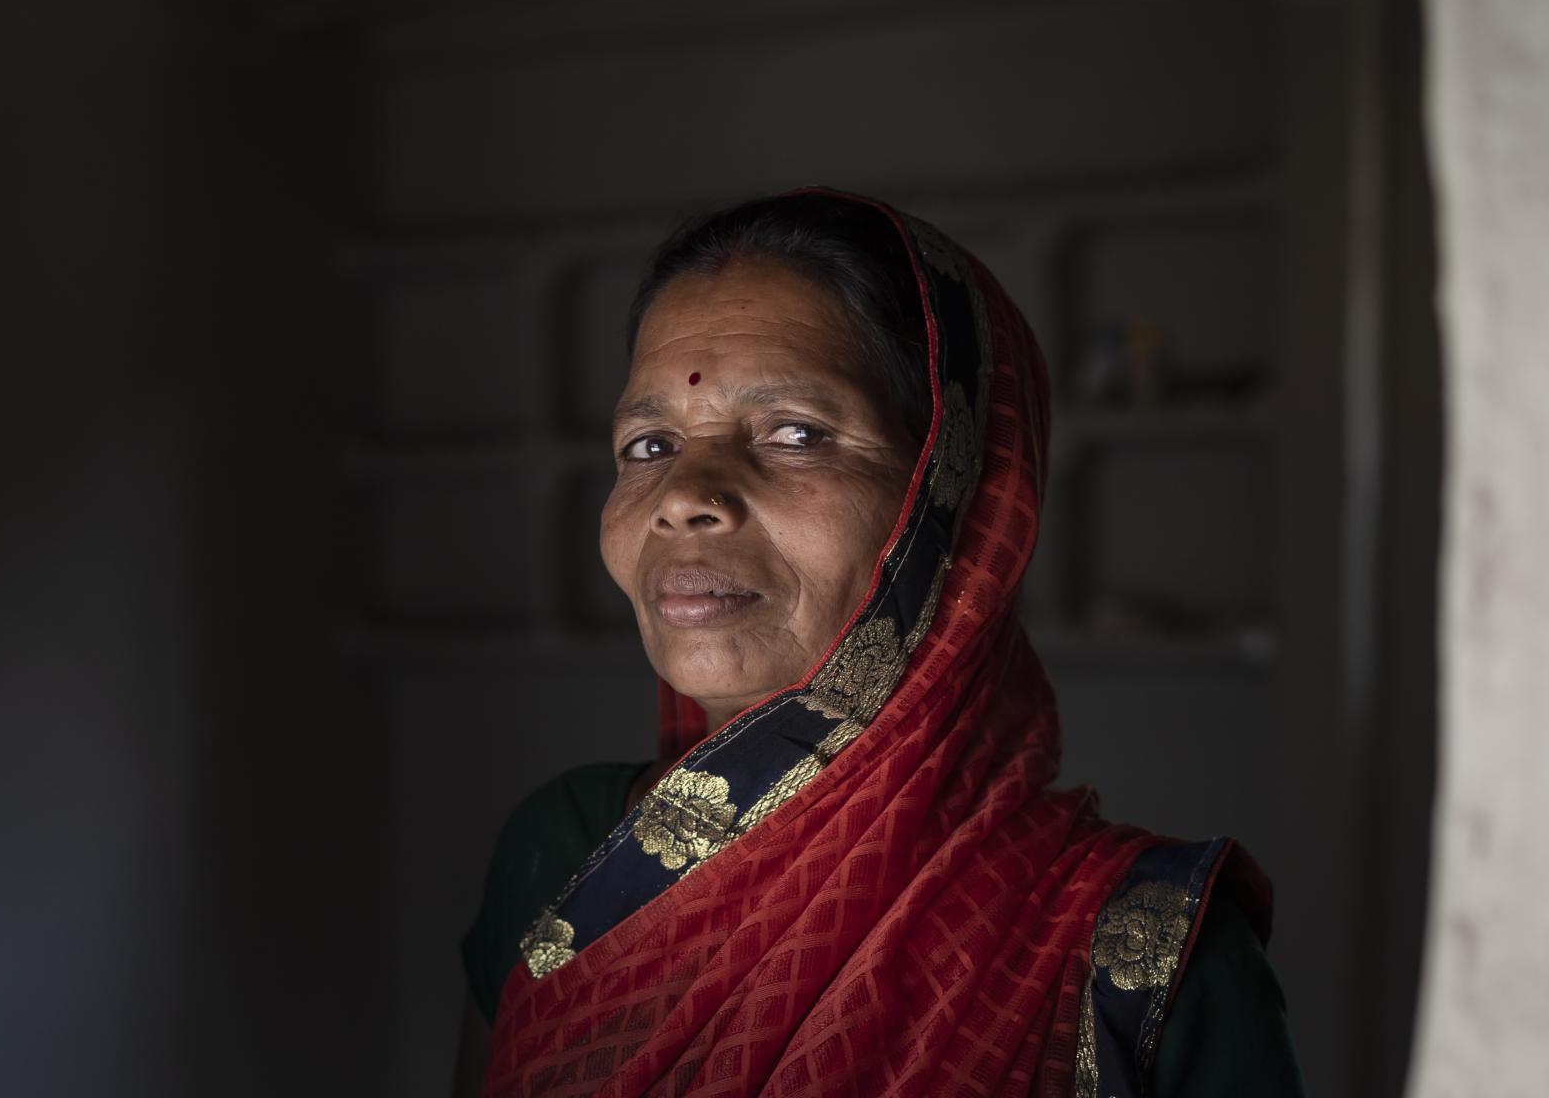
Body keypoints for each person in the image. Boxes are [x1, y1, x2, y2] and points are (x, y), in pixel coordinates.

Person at [455, 190, 1302, 1097]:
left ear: (956, 494)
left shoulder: (1148, 959)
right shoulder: (566, 851)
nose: (682, 495)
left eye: (794, 433)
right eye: (649, 444)